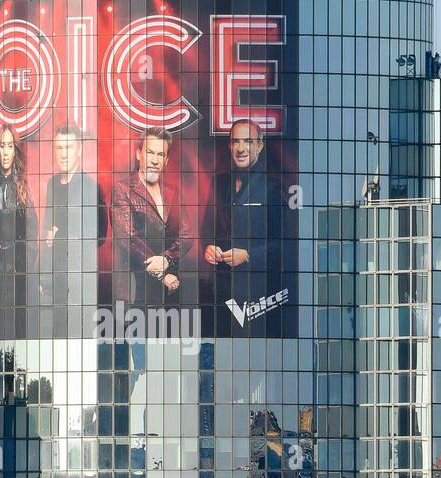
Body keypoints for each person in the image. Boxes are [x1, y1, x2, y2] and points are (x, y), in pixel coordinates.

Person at [203, 119, 286, 333]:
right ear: (229, 146)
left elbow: (285, 245)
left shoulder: (272, 188)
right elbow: (207, 229)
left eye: (248, 141)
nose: (241, 148)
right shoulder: (219, 183)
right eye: (235, 142)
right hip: (221, 292)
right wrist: (209, 247)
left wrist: (248, 255)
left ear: (260, 146)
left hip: (258, 295)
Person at [110, 129, 193, 308]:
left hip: (169, 290)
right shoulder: (122, 189)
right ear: (139, 154)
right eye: (150, 152)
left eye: (161, 154)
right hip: (134, 289)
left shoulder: (173, 192)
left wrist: (166, 259)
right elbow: (128, 238)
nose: (155, 160)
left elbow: (187, 235)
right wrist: (161, 274)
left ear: (166, 160)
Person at [40, 123, 108, 326]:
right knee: (59, 332)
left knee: (80, 332)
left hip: (81, 278)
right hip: (58, 277)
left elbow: (100, 233)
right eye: (59, 148)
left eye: (68, 147)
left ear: (79, 150)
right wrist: (44, 276)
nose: (63, 154)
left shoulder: (90, 186)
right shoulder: (52, 184)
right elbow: (46, 229)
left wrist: (61, 236)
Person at [0, 124, 37, 338]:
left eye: (10, 146)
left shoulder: (21, 185)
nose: (6, 152)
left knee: (17, 320)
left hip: (18, 265)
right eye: (2, 146)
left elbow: (33, 226)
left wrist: (26, 257)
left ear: (15, 150)